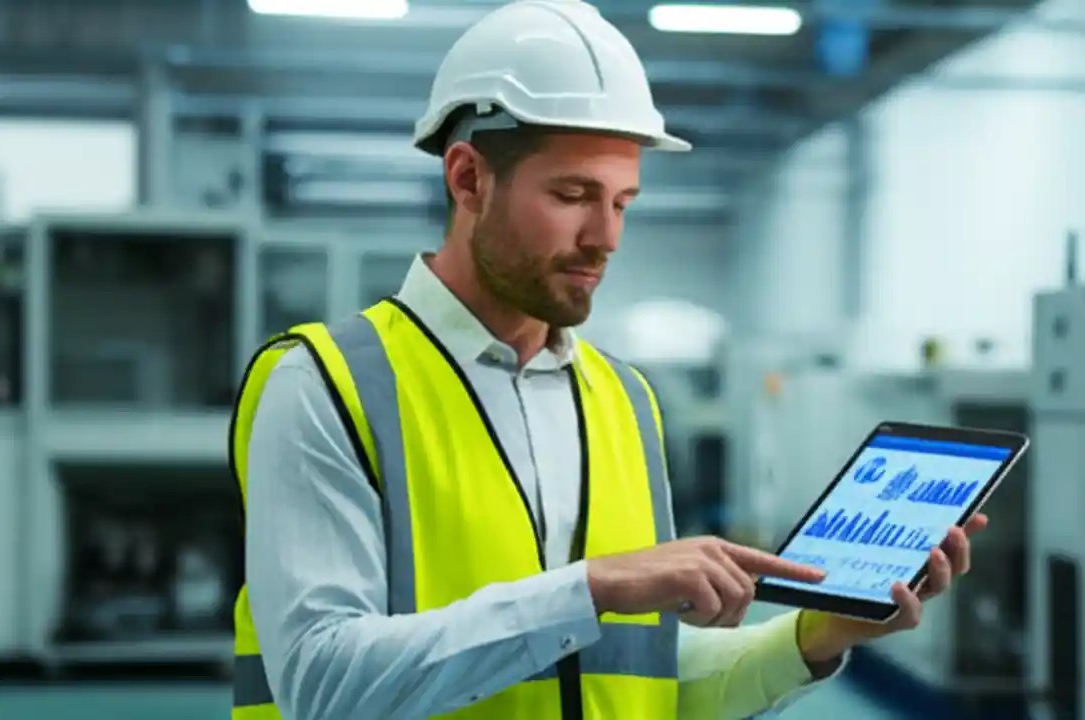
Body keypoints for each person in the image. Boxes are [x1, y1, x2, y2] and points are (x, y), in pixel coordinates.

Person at [228, 1, 987, 718]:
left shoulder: (624, 400)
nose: (605, 238)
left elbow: (642, 683)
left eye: (622, 202)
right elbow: (322, 685)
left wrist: (815, 636)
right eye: (572, 194)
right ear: (468, 178)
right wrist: (589, 590)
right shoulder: (324, 385)